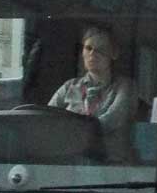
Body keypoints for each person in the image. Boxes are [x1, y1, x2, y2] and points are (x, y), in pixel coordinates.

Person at [49, 25, 136, 155]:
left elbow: (110, 121)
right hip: (68, 158)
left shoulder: (125, 87)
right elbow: (48, 119)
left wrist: (68, 130)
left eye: (101, 49)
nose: (92, 54)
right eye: (88, 48)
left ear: (114, 54)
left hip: (109, 161)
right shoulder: (69, 87)